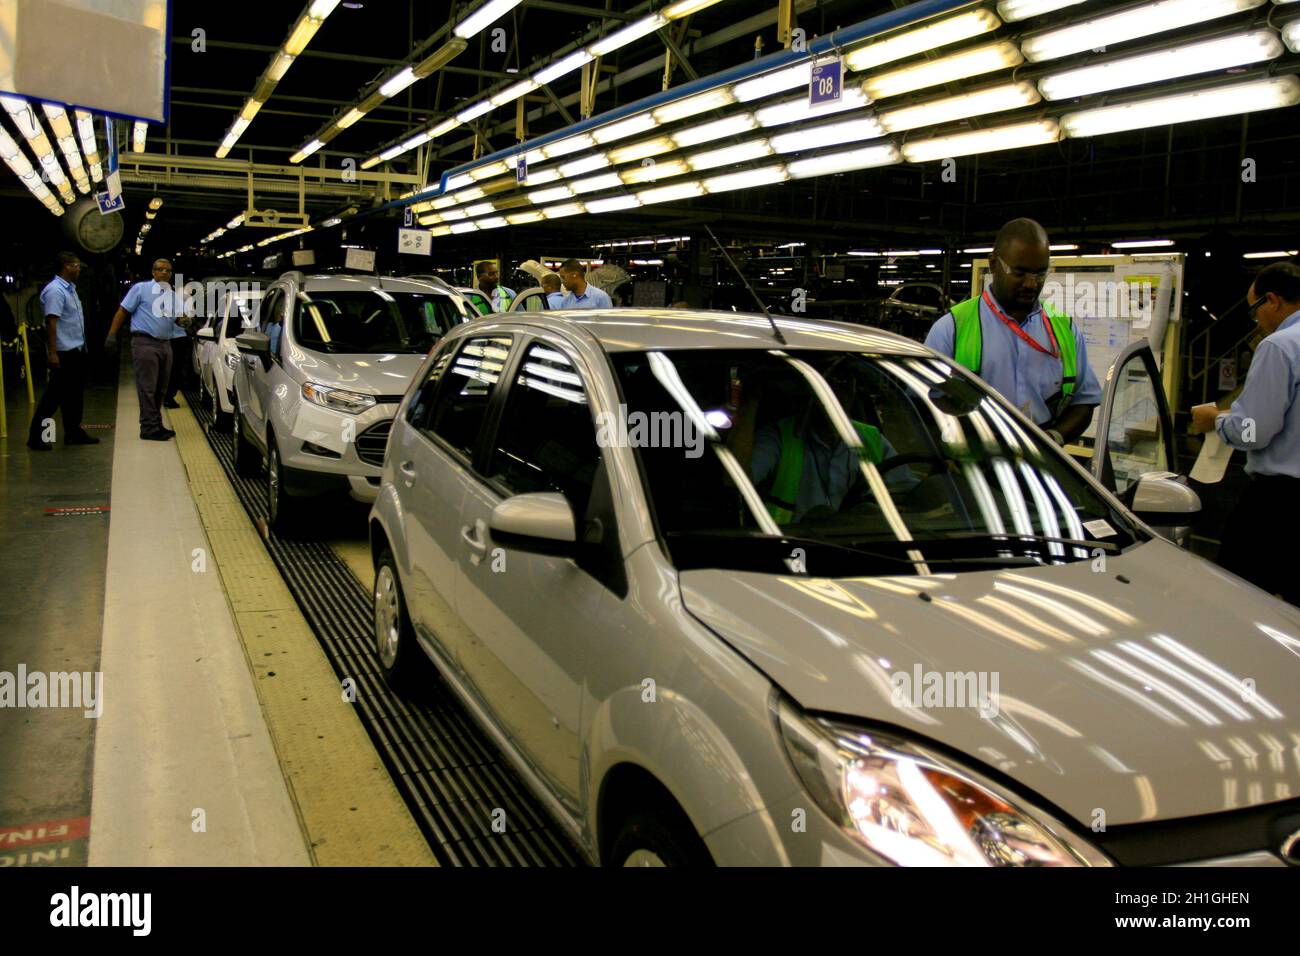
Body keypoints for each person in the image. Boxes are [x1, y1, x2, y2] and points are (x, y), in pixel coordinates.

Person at [925, 218, 1102, 445]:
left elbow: (1085, 401)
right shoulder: (952, 328)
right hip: (971, 462)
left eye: (1040, 274)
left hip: (1038, 464)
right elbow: (922, 405)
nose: (1031, 284)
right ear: (993, 264)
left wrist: (1052, 440)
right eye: (1019, 273)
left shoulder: (1065, 329)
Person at [1190, 261, 1300, 605]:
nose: (1257, 321)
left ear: (1272, 301)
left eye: (1255, 311)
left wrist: (1216, 419)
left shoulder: (1280, 346)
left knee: (1240, 601)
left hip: (1279, 507)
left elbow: (1254, 432)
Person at [105, 258, 185, 441]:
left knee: (161, 389)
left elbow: (176, 319)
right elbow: (122, 311)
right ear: (153, 272)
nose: (164, 273)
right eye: (160, 270)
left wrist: (185, 321)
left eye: (168, 271)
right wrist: (111, 335)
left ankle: (156, 424)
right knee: (148, 387)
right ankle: (148, 427)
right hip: (145, 343)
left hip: (166, 344)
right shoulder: (140, 289)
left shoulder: (171, 295)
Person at [27, 252, 99, 450]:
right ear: (66, 266)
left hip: (76, 349)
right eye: (76, 266)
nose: (79, 269)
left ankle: (73, 432)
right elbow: (52, 322)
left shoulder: (71, 289)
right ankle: (36, 437)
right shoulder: (55, 291)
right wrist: (52, 352)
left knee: (74, 395)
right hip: (63, 352)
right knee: (54, 396)